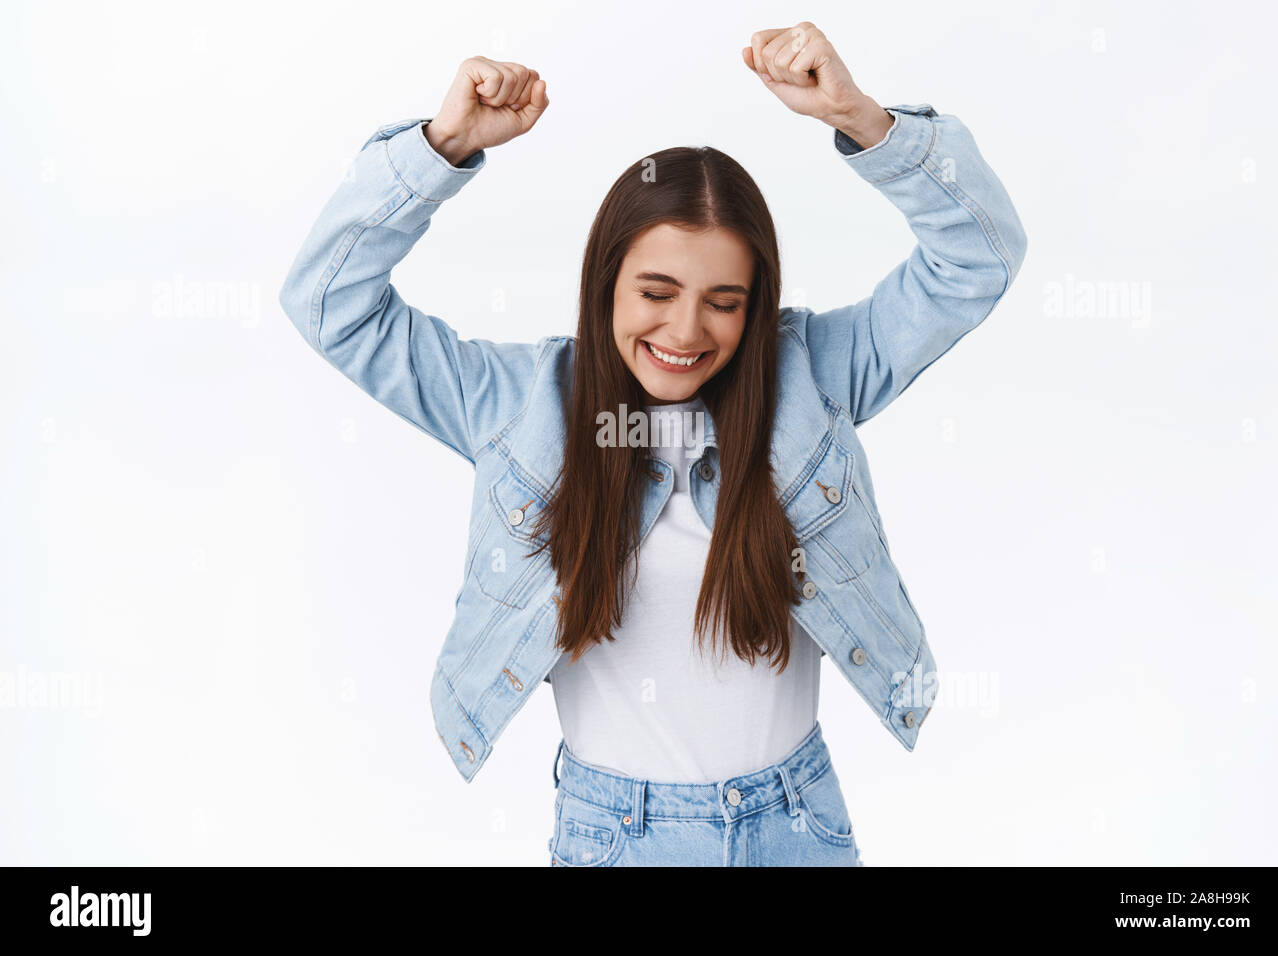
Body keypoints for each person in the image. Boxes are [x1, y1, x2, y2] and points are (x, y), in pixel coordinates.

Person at [279, 22, 1027, 866]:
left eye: (724, 300)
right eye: (657, 291)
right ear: (606, 285)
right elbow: (328, 301)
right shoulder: (516, 405)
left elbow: (979, 260)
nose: (685, 329)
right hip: (615, 835)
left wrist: (861, 118)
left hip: (797, 824)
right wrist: (441, 148)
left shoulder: (813, 377)